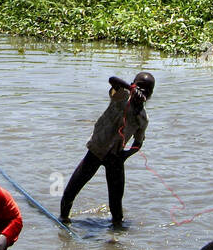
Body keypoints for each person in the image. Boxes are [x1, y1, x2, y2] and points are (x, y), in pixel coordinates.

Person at [58, 72, 154, 228]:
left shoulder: (142, 117)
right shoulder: (122, 97)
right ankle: (63, 221)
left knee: (116, 203)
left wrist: (125, 155)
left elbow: (138, 142)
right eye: (140, 86)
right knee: (71, 191)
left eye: (147, 90)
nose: (143, 91)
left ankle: (116, 232)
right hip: (95, 152)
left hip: (115, 158)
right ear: (133, 84)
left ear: (150, 95)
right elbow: (112, 80)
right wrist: (130, 88)